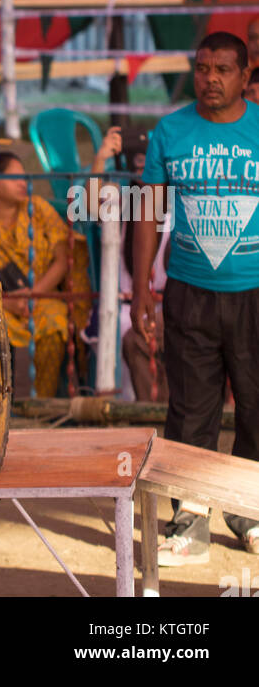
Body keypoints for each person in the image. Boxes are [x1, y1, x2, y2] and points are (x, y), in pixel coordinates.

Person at [132, 32, 259, 564]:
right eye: (203, 68)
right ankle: (191, 519)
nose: (210, 78)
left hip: (254, 295)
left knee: (256, 408)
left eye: (223, 69)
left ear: (246, 77)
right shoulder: (170, 131)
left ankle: (246, 509)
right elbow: (148, 211)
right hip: (188, 292)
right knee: (190, 412)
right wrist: (141, 284)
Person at [0, 152, 91, 398]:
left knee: (55, 322)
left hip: (40, 296)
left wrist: (32, 295)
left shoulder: (37, 208)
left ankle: (43, 402)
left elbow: (64, 260)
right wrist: (7, 302)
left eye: (23, 176)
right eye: (13, 176)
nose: (23, 183)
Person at [86, 127, 169, 403]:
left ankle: (162, 415)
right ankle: (138, 412)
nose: (146, 175)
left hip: (166, 306)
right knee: (130, 339)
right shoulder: (123, 203)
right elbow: (88, 207)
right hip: (124, 309)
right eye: (140, 167)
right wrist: (100, 159)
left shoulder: (178, 206)